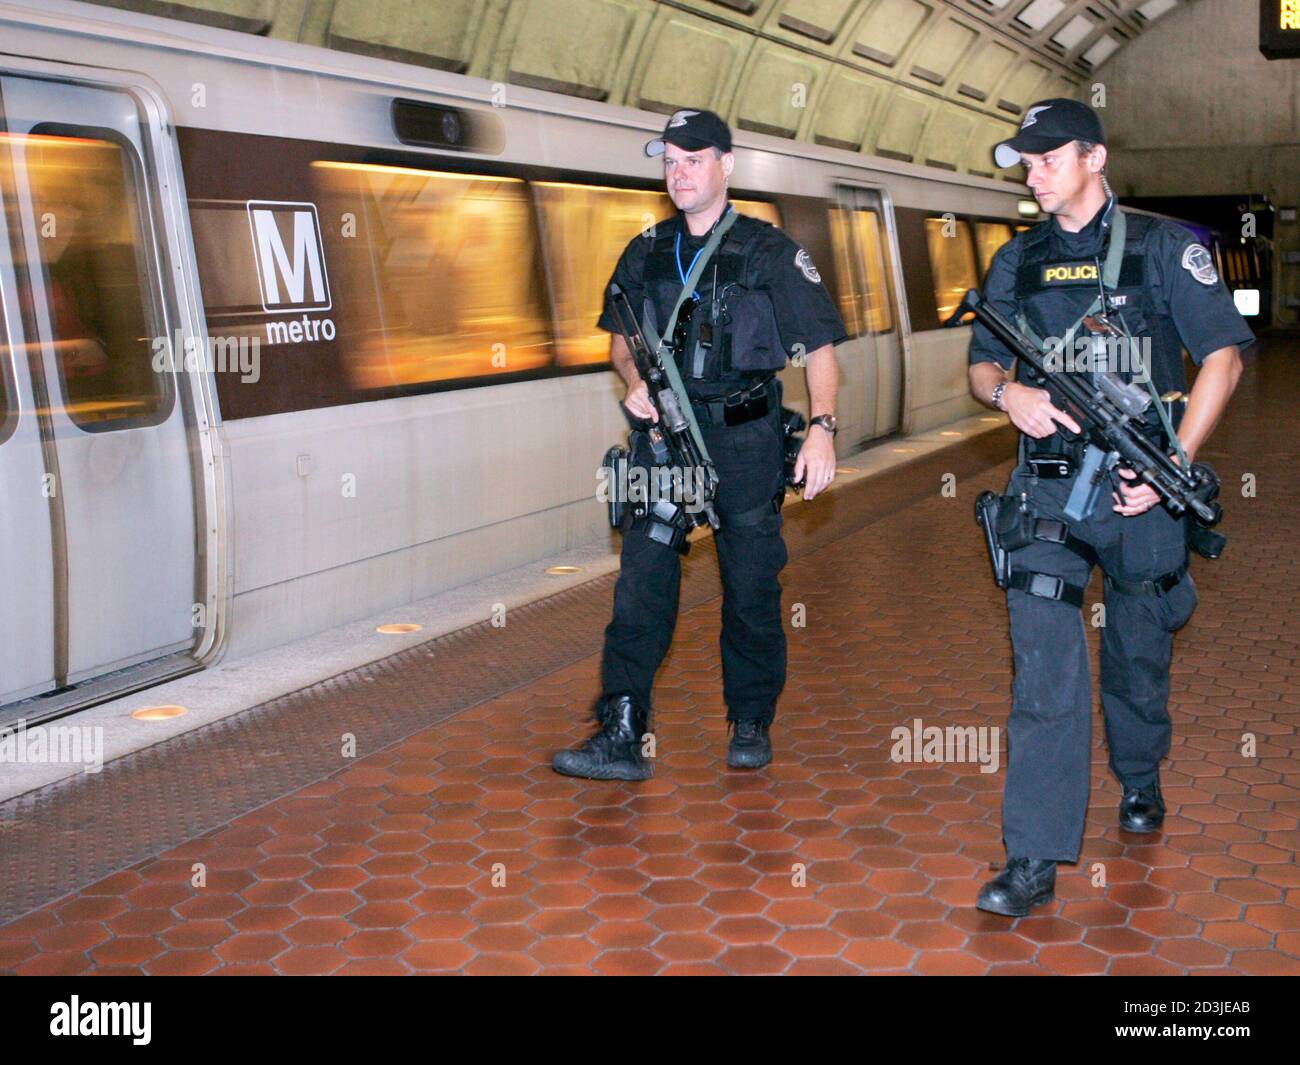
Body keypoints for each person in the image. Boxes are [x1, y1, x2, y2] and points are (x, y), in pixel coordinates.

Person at [967, 98, 1253, 916]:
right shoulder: (1014, 265)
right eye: (1025, 162)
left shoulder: (1166, 249)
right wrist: (1010, 395)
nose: (1033, 173)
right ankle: (1033, 855)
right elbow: (983, 367)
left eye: (1047, 158)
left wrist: (1173, 467)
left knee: (1135, 648)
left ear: (1093, 157)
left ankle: (1140, 772)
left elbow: (1223, 359)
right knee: (1045, 670)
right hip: (1049, 490)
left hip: (1139, 489)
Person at [553, 109, 847, 779]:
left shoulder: (768, 251)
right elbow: (620, 344)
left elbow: (820, 348)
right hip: (662, 437)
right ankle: (621, 731)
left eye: (693, 159)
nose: (679, 172)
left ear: (726, 165)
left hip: (744, 436)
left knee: (749, 585)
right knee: (641, 585)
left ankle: (750, 718)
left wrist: (824, 427)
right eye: (670, 161)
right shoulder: (646, 249)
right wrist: (634, 383)